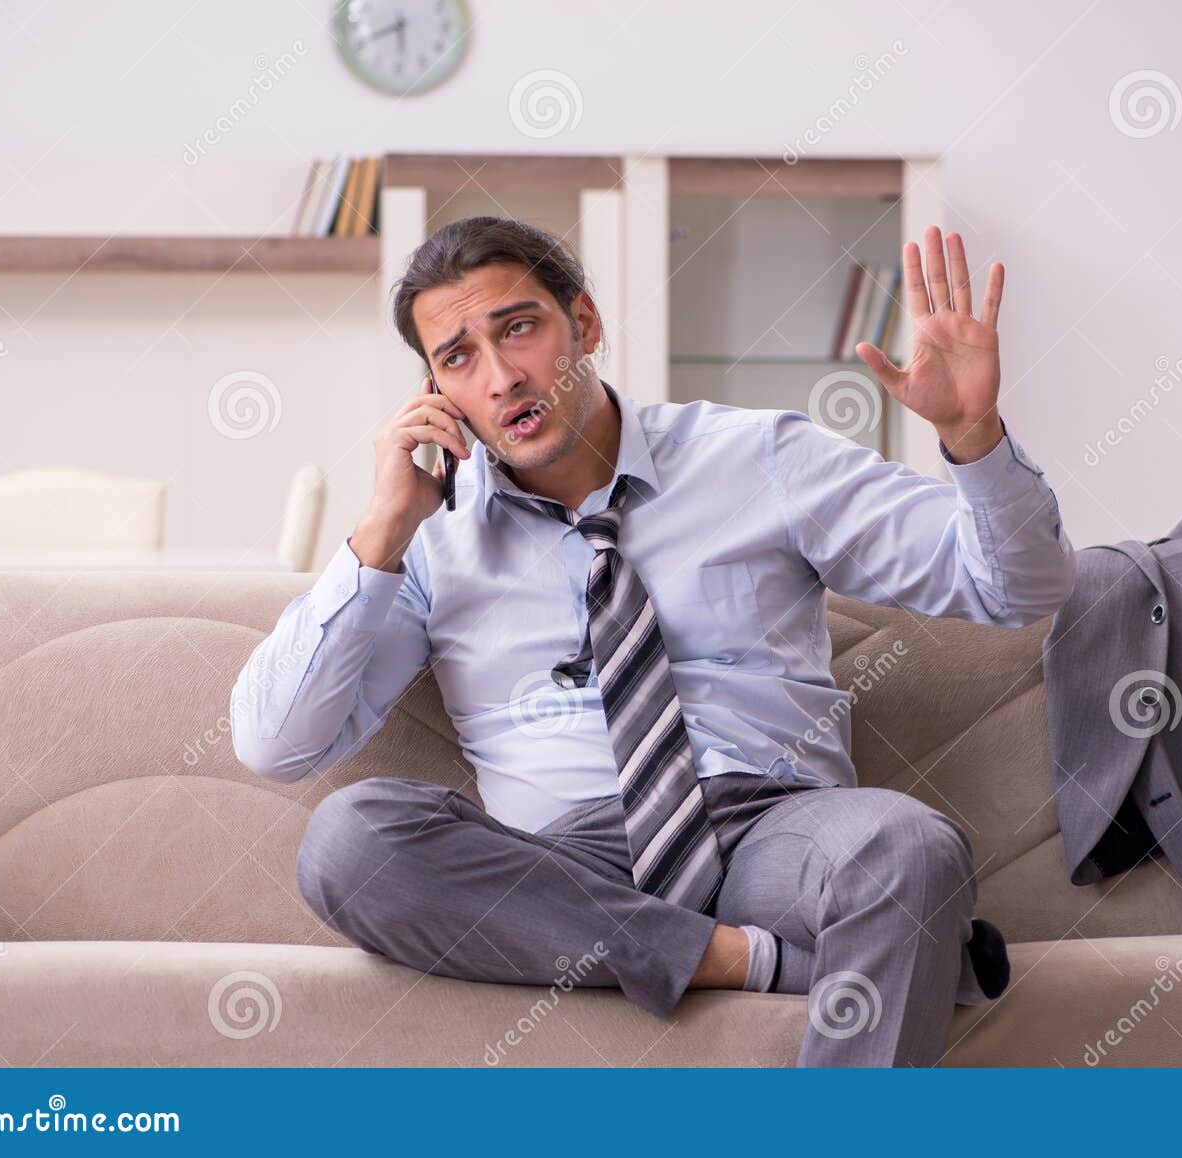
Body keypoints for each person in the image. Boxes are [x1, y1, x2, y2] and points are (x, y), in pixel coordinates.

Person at [231, 215, 1076, 1066]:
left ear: (585, 323)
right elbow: (276, 744)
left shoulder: (757, 458)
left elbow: (1021, 589)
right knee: (353, 841)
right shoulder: (429, 535)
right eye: (457, 357)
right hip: (565, 867)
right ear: (435, 390)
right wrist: (383, 525)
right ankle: (758, 964)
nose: (500, 377)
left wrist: (974, 438)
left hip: (769, 829)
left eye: (519, 327)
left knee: (907, 847)